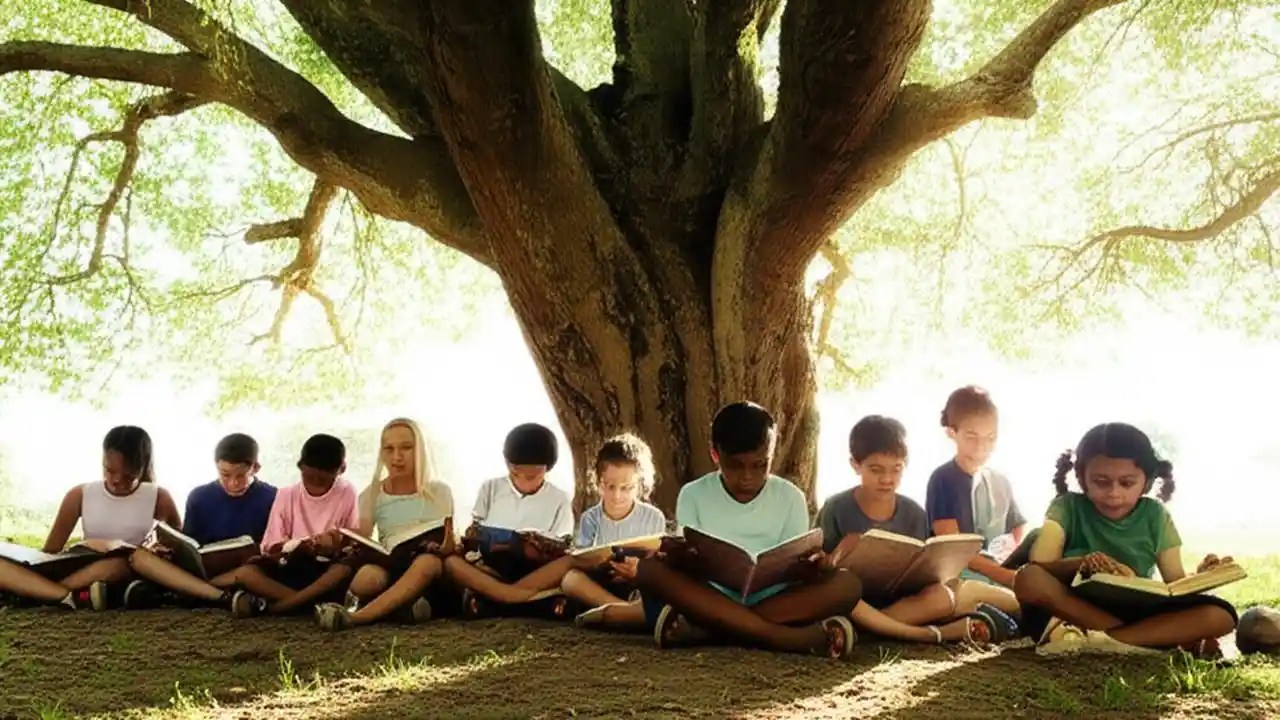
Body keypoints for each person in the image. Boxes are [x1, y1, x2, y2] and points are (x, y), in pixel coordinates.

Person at [634, 402, 860, 658]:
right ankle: (791, 639)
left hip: (772, 599)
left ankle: (709, 631)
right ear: (715, 455)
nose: (747, 477)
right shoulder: (693, 494)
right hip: (711, 596)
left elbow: (796, 569)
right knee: (650, 570)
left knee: (847, 584)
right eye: (735, 465)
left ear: (772, 455)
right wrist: (682, 558)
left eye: (760, 465)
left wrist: (812, 567)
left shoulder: (791, 497)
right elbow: (690, 563)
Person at [1014, 422, 1238, 655]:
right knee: (1028, 578)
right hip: (1073, 606)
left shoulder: (1155, 515)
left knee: (1222, 615)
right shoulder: (1067, 507)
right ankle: (1138, 640)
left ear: (1147, 482)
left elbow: (1174, 583)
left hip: (1134, 609)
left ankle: (1101, 639)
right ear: (1081, 478)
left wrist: (1202, 577)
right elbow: (1039, 564)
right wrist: (1082, 564)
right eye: (1101, 482)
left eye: (1127, 483)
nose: (1114, 493)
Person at [818, 416, 1017, 645]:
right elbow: (821, 569)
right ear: (855, 464)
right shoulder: (836, 508)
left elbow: (926, 566)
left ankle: (863, 630)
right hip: (855, 601)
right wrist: (836, 556)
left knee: (943, 597)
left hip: (903, 601)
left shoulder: (914, 513)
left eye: (896, 470)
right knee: (841, 590)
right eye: (876, 470)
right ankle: (924, 634)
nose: (887, 479)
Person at [0, 426, 181, 609]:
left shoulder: (159, 498)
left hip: (122, 568)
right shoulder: (80, 494)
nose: (116, 480)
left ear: (142, 468)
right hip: (81, 564)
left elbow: (181, 552)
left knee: (118, 565)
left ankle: (36, 593)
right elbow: (50, 553)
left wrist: (155, 552)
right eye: (110, 471)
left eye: (127, 476)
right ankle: (59, 595)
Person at [314, 418, 455, 630]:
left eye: (406, 448)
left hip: (428, 564)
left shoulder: (439, 491)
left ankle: (358, 617)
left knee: (428, 562)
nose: (397, 457)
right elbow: (362, 536)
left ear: (421, 451)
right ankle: (403, 606)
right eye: (389, 449)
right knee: (367, 577)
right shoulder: (372, 495)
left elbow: (447, 536)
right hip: (392, 561)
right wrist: (339, 536)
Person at [123, 433, 277, 609]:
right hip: (201, 573)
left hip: (243, 571)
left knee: (249, 575)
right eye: (225, 475)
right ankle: (221, 596)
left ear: (255, 468)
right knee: (139, 557)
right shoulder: (199, 496)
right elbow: (190, 544)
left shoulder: (273, 497)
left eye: (240, 476)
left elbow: (272, 547)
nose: (233, 483)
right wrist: (168, 549)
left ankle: (182, 592)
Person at [444, 423, 576, 618]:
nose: (523, 480)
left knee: (569, 564)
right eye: (515, 473)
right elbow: (475, 529)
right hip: (494, 570)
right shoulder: (491, 488)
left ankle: (496, 600)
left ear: (547, 469)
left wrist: (538, 546)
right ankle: (522, 601)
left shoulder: (559, 498)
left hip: (535, 572)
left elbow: (563, 545)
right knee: (452, 563)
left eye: (531, 476)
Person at [926, 387, 1028, 610]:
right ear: (952, 433)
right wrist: (1004, 576)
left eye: (990, 438)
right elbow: (951, 547)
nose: (982, 447)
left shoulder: (1000, 481)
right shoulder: (943, 479)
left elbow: (1018, 532)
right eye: (971, 437)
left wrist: (1013, 564)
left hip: (1000, 566)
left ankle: (1010, 603)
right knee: (960, 589)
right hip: (964, 569)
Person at [564, 433, 668, 630]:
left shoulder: (653, 517)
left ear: (640, 485)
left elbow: (658, 561)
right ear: (598, 482)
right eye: (609, 487)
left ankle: (619, 613)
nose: (617, 496)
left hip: (638, 583)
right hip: (603, 584)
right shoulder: (590, 518)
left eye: (626, 488)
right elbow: (583, 558)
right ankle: (628, 612)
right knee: (570, 579)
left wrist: (637, 571)